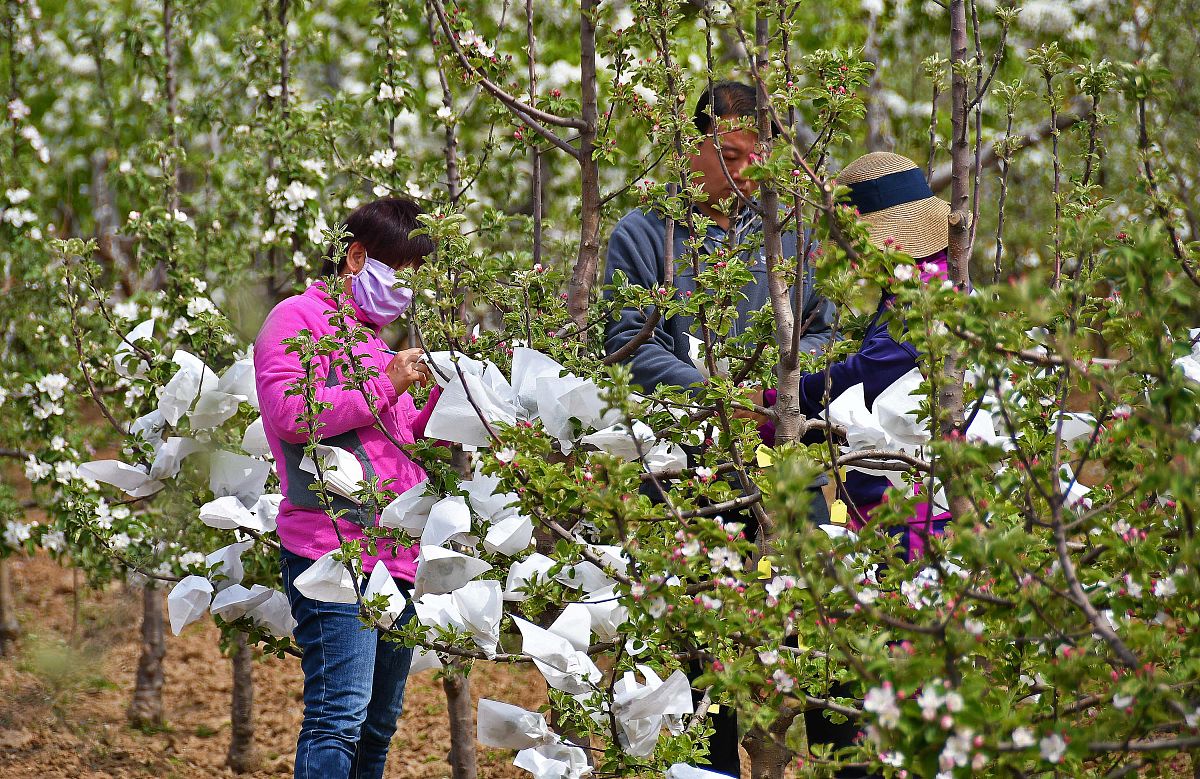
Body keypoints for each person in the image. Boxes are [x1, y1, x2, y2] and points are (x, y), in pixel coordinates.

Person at [602, 81, 835, 778]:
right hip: (684, 475)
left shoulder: (790, 237)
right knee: (695, 659)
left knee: (793, 644)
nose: (746, 174)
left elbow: (824, 332)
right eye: (730, 154)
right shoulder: (644, 232)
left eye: (760, 159)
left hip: (784, 471)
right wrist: (718, 397)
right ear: (692, 146)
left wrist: (782, 392)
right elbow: (626, 342)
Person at [254, 197, 438, 779]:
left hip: (396, 553)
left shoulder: (373, 340)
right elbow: (290, 412)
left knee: (378, 726)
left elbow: (398, 436)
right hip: (332, 545)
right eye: (399, 272)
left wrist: (443, 393)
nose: (405, 290)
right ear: (356, 256)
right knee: (340, 715)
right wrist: (384, 381)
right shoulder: (295, 319)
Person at [801, 151, 954, 556]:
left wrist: (780, 401)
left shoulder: (929, 291)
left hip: (915, 509)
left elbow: (871, 371)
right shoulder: (917, 281)